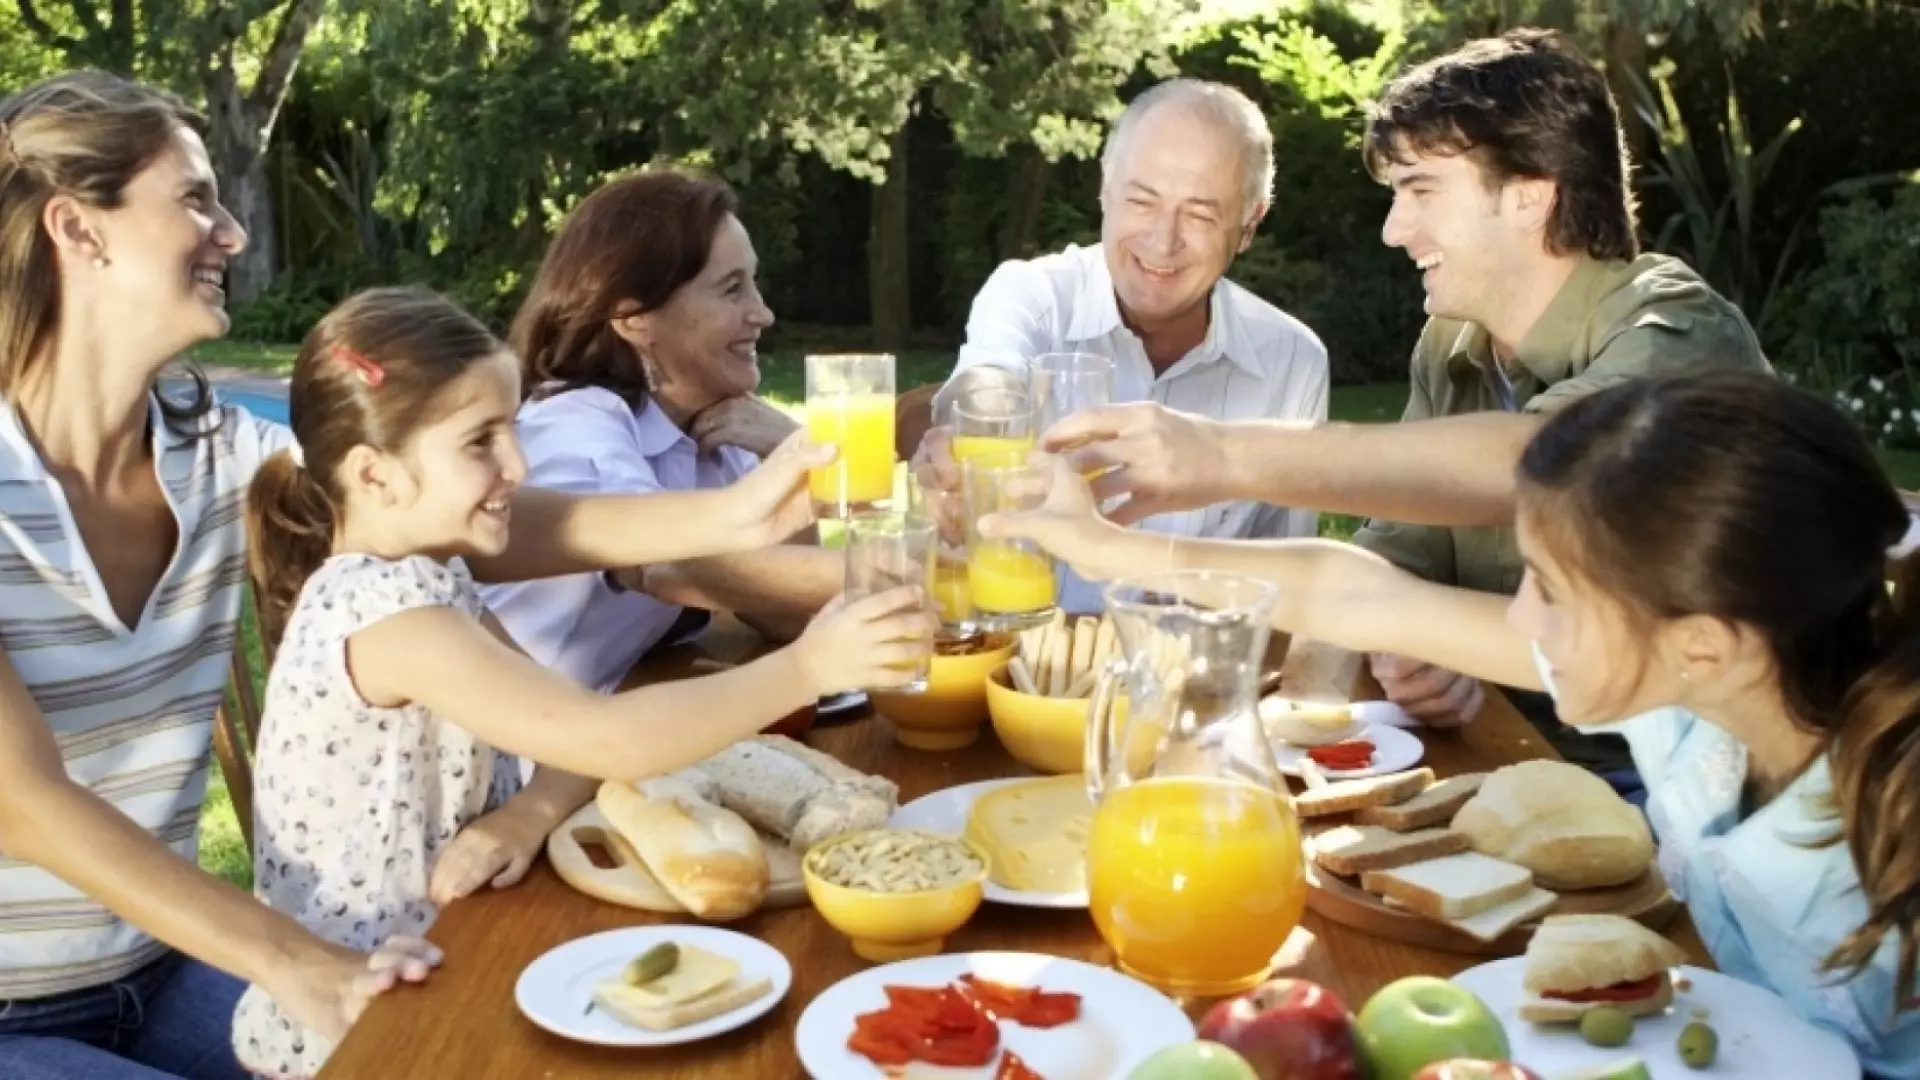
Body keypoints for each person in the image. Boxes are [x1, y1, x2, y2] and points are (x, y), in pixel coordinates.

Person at [0, 71, 831, 1080]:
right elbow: (24, 802)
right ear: (79, 230)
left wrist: (738, 510)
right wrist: (303, 965)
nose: (231, 233)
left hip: (169, 960)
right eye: (195, 199)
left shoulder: (209, 448)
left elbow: (464, 512)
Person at [985, 369, 1920, 1076]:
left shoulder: (1885, 815)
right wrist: (1107, 545)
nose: (1518, 623)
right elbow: (1354, 593)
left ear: (1704, 644)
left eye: (1548, 593)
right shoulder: (1683, 697)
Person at [230, 286, 928, 1077]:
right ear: (376, 474)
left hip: (447, 963)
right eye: (480, 441)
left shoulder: (430, 576)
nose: (517, 465)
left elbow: (576, 729)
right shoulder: (385, 614)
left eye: (513, 430)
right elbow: (604, 738)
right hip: (359, 1042)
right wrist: (808, 666)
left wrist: (529, 811)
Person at [1040, 31, 1769, 772]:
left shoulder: (1677, 333)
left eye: (1420, 191)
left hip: (1684, 793)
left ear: (1529, 195)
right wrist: (1366, 680)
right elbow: (1387, 560)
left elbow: (1540, 465)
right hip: (1498, 759)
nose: (1394, 229)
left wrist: (1221, 455)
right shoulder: (1451, 345)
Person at [920, 77, 1331, 612]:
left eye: (1201, 215)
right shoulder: (1032, 295)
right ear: (1105, 189)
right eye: (1142, 201)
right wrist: (967, 424)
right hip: (1023, 675)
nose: (1163, 240)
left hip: (1190, 681)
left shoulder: (1294, 362)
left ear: (1249, 225)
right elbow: (988, 383)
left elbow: (1288, 588)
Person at [480, 170, 841, 700]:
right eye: (731, 288)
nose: (762, 313)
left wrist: (780, 456)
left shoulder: (715, 428)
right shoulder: (576, 426)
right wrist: (910, 571)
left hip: (595, 735)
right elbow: (664, 566)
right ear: (634, 318)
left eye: (754, 283)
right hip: (511, 762)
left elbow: (790, 619)